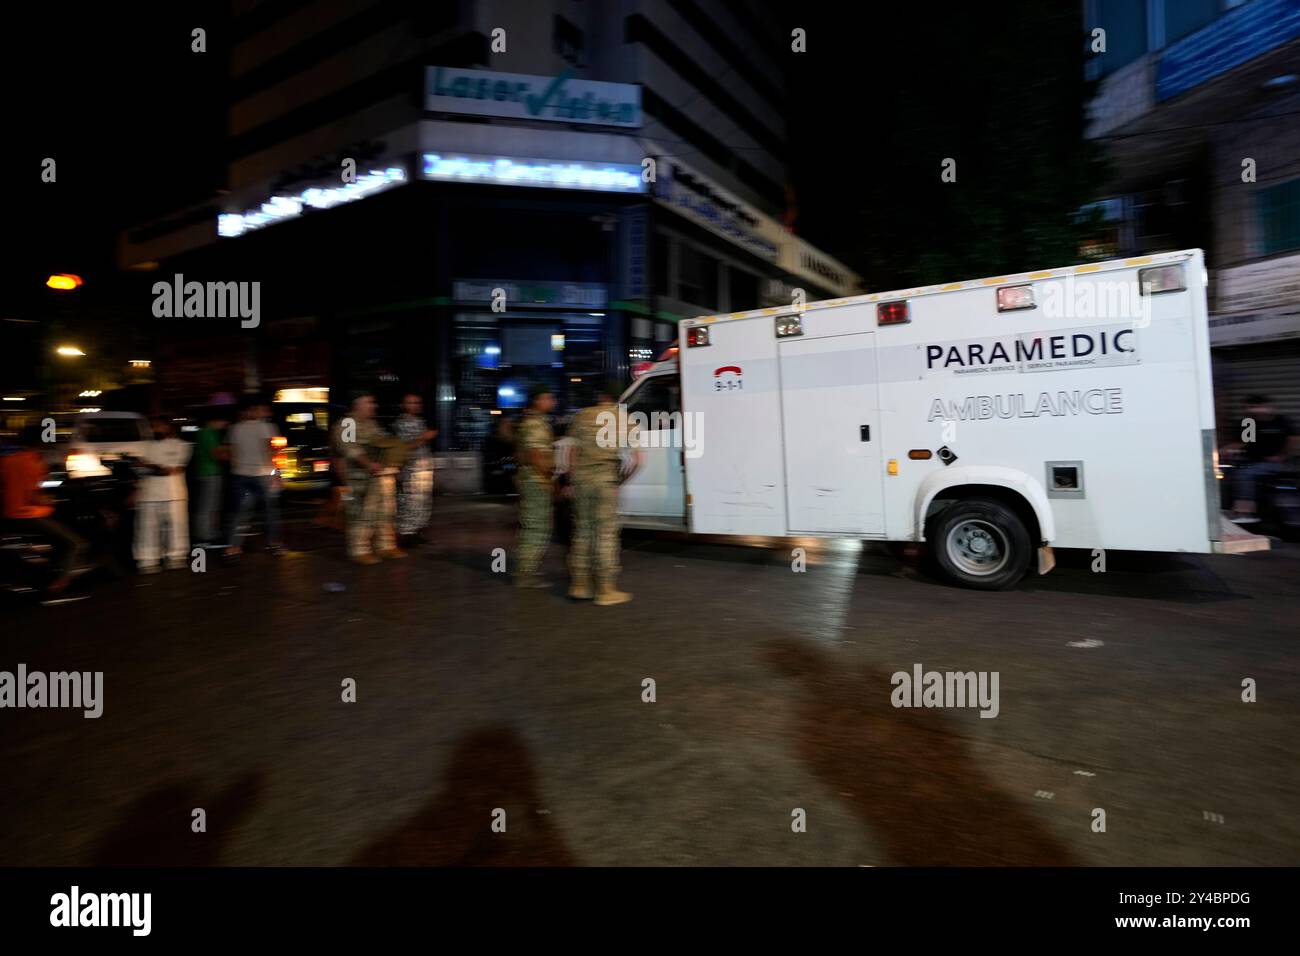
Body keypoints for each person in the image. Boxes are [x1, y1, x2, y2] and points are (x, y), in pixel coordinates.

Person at [567, 381, 642, 605]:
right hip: (605, 482)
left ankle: (580, 586)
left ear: (600, 394)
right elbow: (638, 460)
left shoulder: (581, 416)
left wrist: (572, 480)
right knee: (605, 534)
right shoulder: (624, 418)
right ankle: (605, 590)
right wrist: (621, 480)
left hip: (582, 482)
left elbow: (571, 451)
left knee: (582, 531)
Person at [0, 424, 88, 593]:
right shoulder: (35, 463)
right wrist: (51, 500)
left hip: (9, 515)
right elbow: (35, 495)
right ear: (40, 442)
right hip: (30, 516)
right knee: (75, 543)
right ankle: (60, 582)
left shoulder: (7, 461)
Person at [333, 390, 403, 565]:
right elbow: (349, 449)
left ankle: (385, 546)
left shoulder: (371, 423)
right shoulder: (348, 423)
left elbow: (383, 444)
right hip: (359, 478)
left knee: (386, 512)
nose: (374, 406)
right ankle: (359, 550)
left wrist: (394, 460)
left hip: (379, 476)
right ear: (357, 404)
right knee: (361, 514)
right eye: (369, 402)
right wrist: (368, 464)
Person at [225, 397, 283, 557]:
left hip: (240, 474)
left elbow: (232, 453)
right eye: (262, 410)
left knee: (240, 513)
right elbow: (272, 451)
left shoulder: (235, 428)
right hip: (263, 475)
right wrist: (277, 474)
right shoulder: (267, 427)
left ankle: (233, 548)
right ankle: (274, 544)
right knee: (270, 512)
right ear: (255, 411)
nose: (265, 413)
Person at [135, 416, 193, 572]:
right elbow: (140, 469)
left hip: (174, 493)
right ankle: (147, 560)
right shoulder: (144, 446)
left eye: (158, 426)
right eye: (153, 426)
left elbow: (171, 470)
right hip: (149, 494)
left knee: (177, 527)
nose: (155, 429)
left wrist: (148, 465)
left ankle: (176, 557)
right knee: (147, 529)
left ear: (169, 427)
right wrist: (151, 467)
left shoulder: (181, 446)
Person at [513, 384, 556, 588]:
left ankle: (528, 569)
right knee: (536, 526)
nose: (551, 401)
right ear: (537, 400)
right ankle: (525, 574)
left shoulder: (536, 422)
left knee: (537, 525)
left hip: (533, 478)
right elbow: (536, 454)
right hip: (535, 479)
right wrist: (548, 478)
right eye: (547, 397)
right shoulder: (534, 424)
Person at [1229, 395, 1296, 524]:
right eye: (1250, 408)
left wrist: (1282, 456)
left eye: (1256, 407)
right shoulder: (1250, 422)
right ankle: (1235, 507)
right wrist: (1222, 451)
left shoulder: (1281, 422)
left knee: (1245, 474)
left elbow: (1293, 441)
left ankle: (1245, 512)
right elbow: (1244, 443)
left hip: (1279, 463)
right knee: (1233, 471)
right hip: (1256, 462)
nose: (1252, 411)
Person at [393, 392, 438, 543]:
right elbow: (405, 446)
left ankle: (418, 532)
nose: (415, 405)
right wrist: (424, 437)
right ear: (404, 405)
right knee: (409, 502)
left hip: (423, 468)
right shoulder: (401, 422)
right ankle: (406, 534)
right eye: (411, 402)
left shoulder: (419, 420)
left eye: (417, 403)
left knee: (423, 501)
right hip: (411, 469)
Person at [193, 410, 230, 545]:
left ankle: (207, 533)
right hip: (210, 473)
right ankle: (205, 535)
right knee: (209, 505)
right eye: (223, 422)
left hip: (203, 472)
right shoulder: (209, 433)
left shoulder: (202, 432)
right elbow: (217, 454)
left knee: (207, 504)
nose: (224, 425)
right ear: (216, 420)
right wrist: (230, 455)